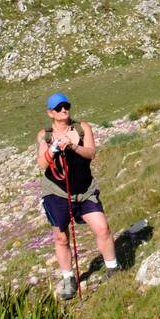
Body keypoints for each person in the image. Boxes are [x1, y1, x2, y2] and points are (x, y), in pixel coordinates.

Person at [36, 93, 120, 299]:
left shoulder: (82, 128)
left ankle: (113, 268)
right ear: (50, 113)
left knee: (102, 227)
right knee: (61, 237)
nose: (63, 110)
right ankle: (68, 279)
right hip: (56, 193)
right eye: (58, 108)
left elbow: (91, 153)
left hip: (85, 190)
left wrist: (73, 146)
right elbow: (42, 165)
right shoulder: (44, 135)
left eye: (66, 106)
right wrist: (55, 148)